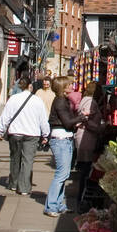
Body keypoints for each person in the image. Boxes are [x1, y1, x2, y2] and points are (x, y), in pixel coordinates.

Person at [0, 77, 50, 196]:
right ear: (30, 86)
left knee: (15, 158)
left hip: (15, 133)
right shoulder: (37, 100)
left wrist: (0, 130)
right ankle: (24, 187)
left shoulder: (13, 99)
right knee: (27, 161)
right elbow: (43, 119)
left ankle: (14, 184)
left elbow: (6, 116)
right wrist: (46, 134)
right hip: (32, 134)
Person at [45, 77, 84, 217]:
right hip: (60, 140)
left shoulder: (64, 100)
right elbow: (67, 122)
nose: (72, 85)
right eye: (70, 84)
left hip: (65, 139)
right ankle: (51, 206)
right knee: (61, 174)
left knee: (65, 174)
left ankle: (59, 205)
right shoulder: (60, 101)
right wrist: (81, 118)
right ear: (63, 87)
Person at [75, 82, 105, 209]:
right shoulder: (90, 101)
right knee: (86, 172)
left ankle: (80, 198)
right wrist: (99, 127)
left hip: (84, 136)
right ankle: (81, 200)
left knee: (85, 170)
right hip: (87, 138)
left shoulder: (85, 99)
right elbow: (84, 118)